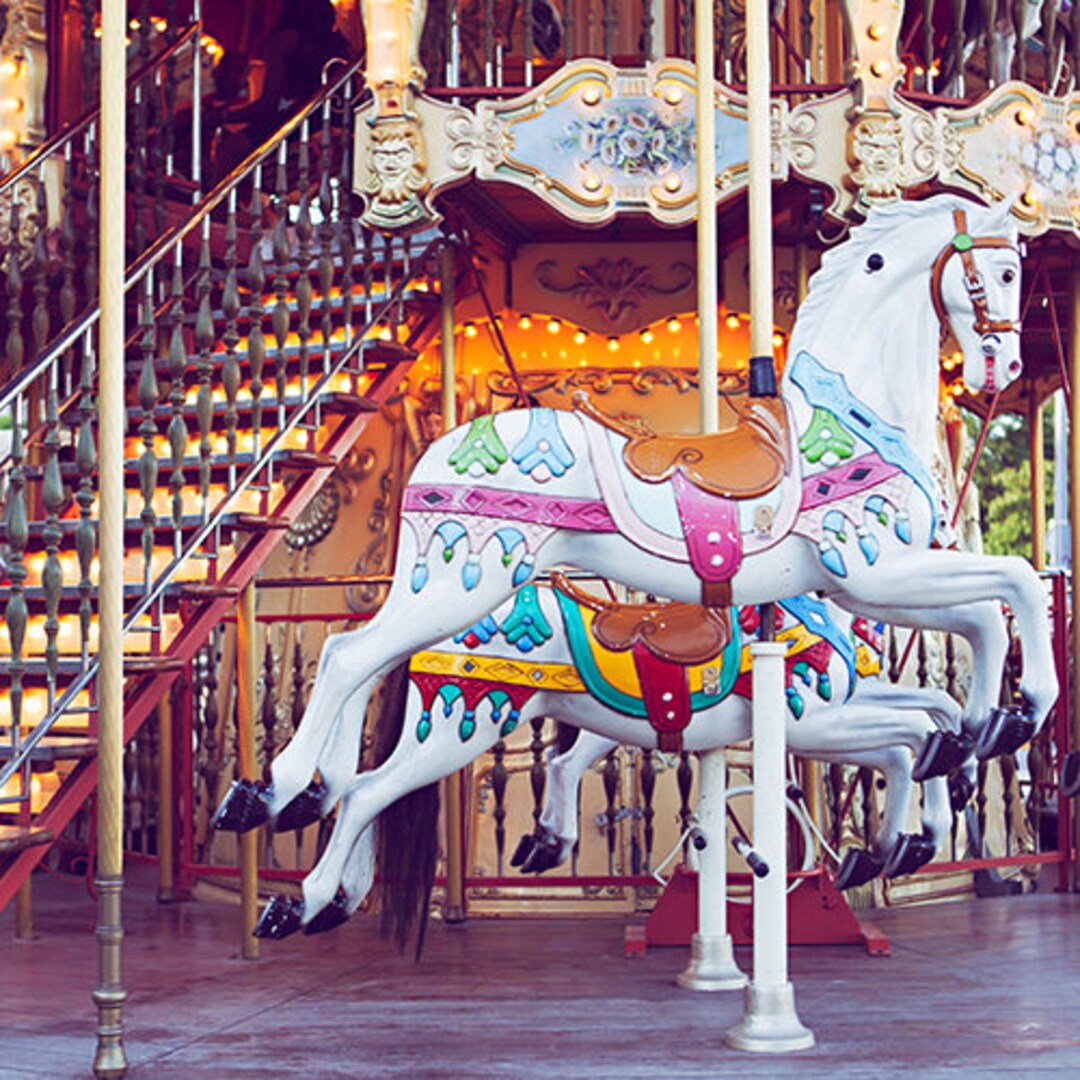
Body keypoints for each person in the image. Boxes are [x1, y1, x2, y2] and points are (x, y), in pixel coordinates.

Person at [208, 0, 350, 183]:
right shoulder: (335, 44)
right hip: (333, 116)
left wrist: (222, 117)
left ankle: (219, 208)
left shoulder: (283, 41)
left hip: (307, 116)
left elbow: (267, 106)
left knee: (230, 149)